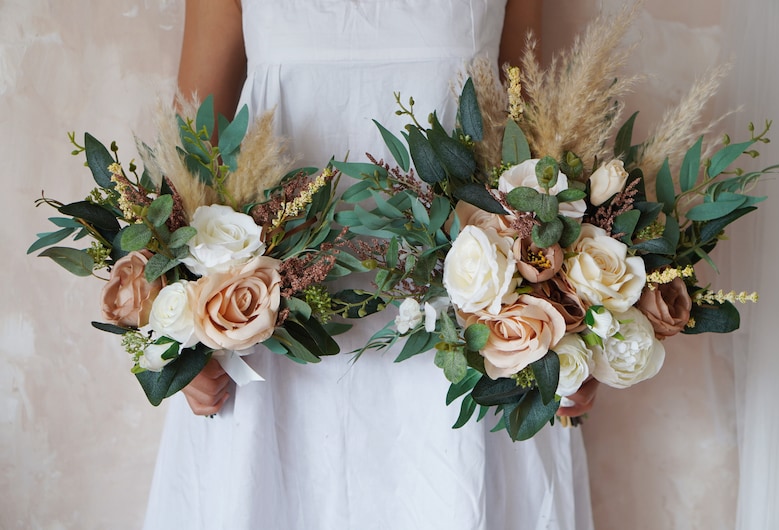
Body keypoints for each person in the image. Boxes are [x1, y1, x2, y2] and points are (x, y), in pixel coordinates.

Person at [144, 1, 597, 528]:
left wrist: (579, 323)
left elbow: (537, 140)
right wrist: (172, 340)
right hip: (267, 327)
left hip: (474, 331)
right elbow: (189, 153)